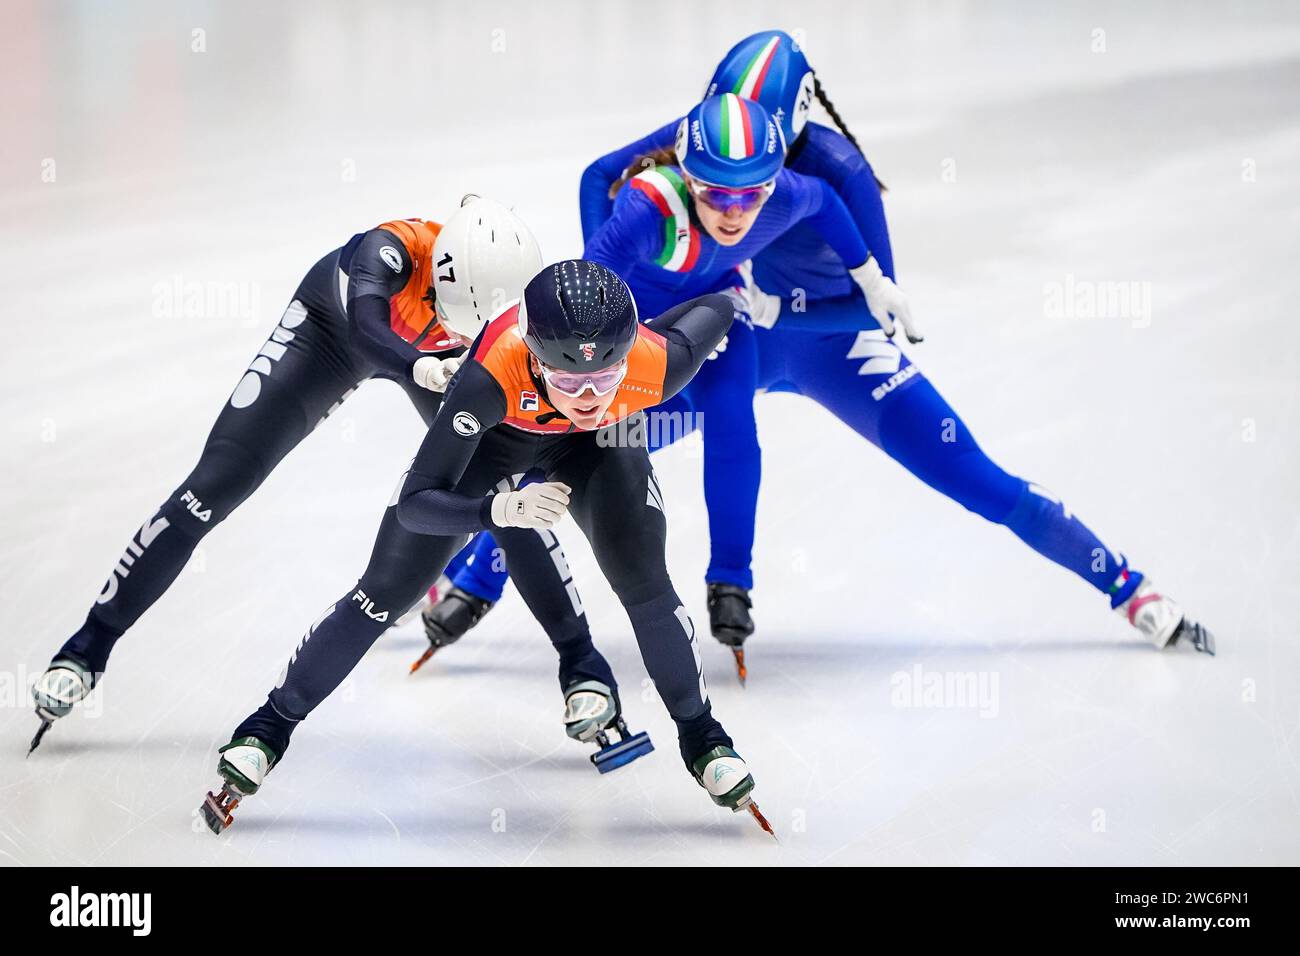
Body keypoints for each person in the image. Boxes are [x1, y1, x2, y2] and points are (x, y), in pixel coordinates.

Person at [430, 31, 1215, 678]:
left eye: (756, 184)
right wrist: (631, 286)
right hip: (725, 341)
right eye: (720, 186)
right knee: (589, 448)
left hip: (824, 346)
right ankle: (478, 572)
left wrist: (780, 307)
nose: (736, 199)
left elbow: (878, 305)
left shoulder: (830, 171)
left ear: (791, 134)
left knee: (975, 477)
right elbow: (605, 174)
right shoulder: (724, 134)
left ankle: (1124, 584)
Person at [200, 260, 773, 837]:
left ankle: (703, 737)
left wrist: (662, 330)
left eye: (607, 377)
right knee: (383, 594)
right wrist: (494, 511)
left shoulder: (654, 364)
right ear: (533, 356)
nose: (590, 396)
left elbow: (717, 308)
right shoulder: (488, 377)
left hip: (598, 448)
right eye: (571, 382)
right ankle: (268, 726)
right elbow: (417, 502)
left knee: (646, 584)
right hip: (493, 445)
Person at [27, 196, 576, 753]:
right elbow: (366, 329)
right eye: (460, 324)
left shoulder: (506, 305)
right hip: (332, 335)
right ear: (440, 281)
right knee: (213, 485)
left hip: (435, 365)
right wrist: (420, 364)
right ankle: (87, 645)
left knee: (495, 481)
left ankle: (576, 660)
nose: (465, 335)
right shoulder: (390, 250)